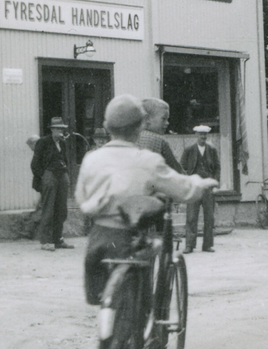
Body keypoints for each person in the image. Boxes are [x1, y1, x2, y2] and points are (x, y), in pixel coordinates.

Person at [75, 94, 218, 306]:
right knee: (141, 288)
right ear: (140, 126)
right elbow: (181, 186)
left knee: (102, 300)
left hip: (98, 240)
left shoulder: (91, 159)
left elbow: (81, 196)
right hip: (129, 238)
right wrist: (201, 183)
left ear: (106, 126)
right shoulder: (147, 161)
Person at [30, 116, 74, 251]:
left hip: (62, 175)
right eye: (58, 129)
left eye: (62, 129)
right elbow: (35, 164)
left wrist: (66, 174)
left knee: (61, 209)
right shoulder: (43, 142)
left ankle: (58, 239)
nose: (60, 131)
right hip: (49, 175)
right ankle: (46, 240)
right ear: (52, 129)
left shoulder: (63, 143)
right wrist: (44, 177)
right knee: (48, 208)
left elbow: (65, 160)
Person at [180, 125, 220, 253]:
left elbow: (217, 168)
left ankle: (207, 245)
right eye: (200, 134)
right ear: (196, 135)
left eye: (205, 134)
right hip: (194, 187)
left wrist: (214, 182)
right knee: (191, 216)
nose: (203, 137)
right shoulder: (189, 150)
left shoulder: (212, 150)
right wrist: (188, 181)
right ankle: (189, 245)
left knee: (209, 217)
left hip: (207, 187)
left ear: (206, 136)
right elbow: (182, 167)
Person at [138, 98, 184, 173]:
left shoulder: (131, 137)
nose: (167, 123)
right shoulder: (159, 140)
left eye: (167, 119)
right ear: (147, 119)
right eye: (163, 119)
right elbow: (176, 169)